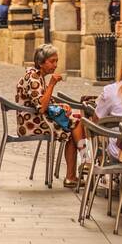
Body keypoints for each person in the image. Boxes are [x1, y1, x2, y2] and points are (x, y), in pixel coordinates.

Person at [15, 44, 89, 187]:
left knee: (75, 124)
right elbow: (42, 107)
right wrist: (52, 84)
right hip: (30, 123)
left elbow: (44, 100)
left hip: (37, 119)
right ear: (41, 62)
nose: (55, 65)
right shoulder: (33, 77)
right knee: (75, 126)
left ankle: (74, 173)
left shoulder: (38, 75)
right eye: (52, 61)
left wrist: (60, 105)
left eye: (56, 61)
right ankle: (84, 162)